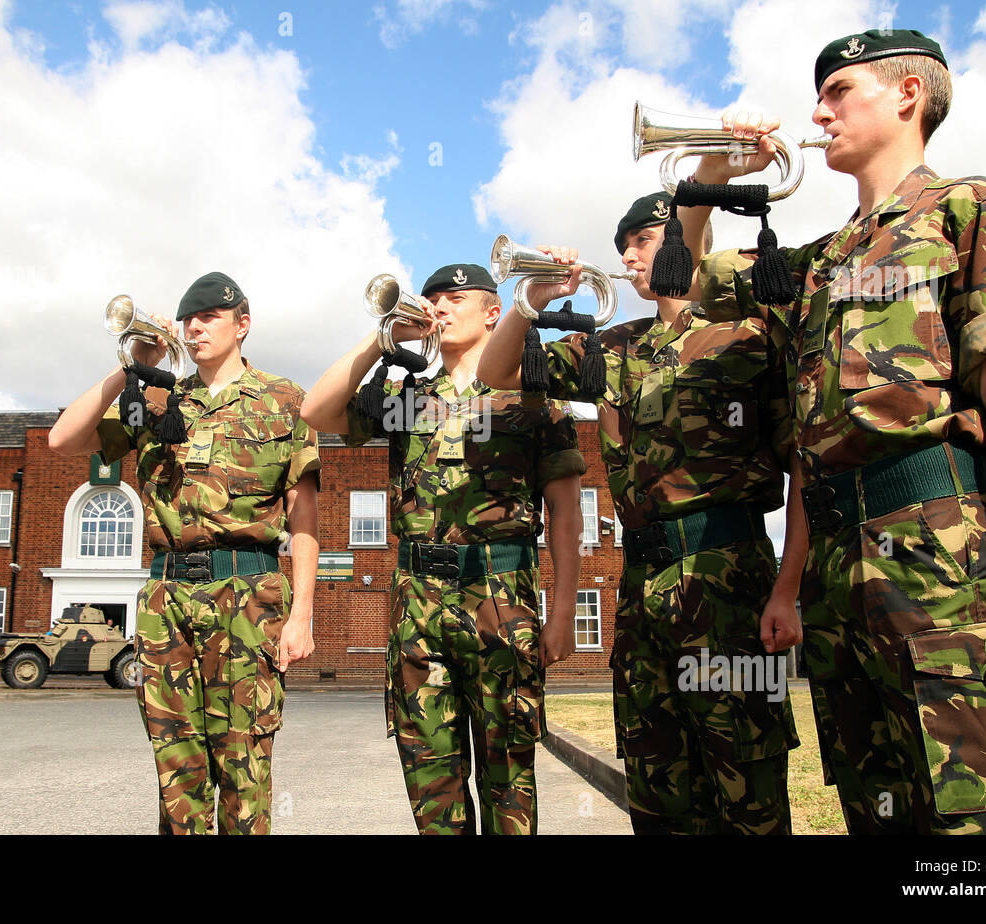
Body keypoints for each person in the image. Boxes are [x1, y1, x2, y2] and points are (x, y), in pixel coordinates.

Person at [689, 29, 986, 833]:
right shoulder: (816, 261)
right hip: (838, 565)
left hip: (934, 546)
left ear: (908, 93)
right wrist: (710, 176)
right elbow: (691, 277)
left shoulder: (969, 207)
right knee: (877, 806)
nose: (818, 111)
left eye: (839, 91)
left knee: (976, 815)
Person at [478, 197, 804, 834]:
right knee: (657, 788)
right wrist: (533, 299)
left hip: (728, 576)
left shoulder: (753, 331)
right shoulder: (616, 346)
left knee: (747, 784)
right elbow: (496, 371)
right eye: (622, 244)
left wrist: (789, 587)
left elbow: (805, 463)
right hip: (642, 585)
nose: (627, 256)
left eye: (645, 239)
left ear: (686, 242)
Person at [302, 263, 585, 834]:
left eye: (456, 297)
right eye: (433, 298)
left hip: (503, 597)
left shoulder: (531, 400)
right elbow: (316, 411)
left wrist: (562, 615)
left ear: (492, 312)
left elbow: (566, 517)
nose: (440, 306)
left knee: (510, 780)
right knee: (431, 778)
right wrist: (384, 335)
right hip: (419, 604)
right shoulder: (408, 400)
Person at [49, 272, 319, 835]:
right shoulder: (156, 398)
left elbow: (305, 517)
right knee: (176, 766)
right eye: (188, 319)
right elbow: (63, 439)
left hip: (247, 597)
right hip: (167, 598)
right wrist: (132, 366)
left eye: (209, 317)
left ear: (242, 325)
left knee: (243, 763)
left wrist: (301, 616)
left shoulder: (285, 399)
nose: (194, 327)